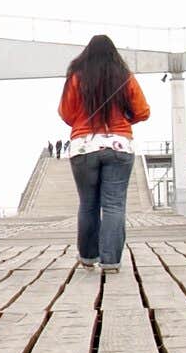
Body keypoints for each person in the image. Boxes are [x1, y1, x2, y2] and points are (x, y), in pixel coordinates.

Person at [58, 34, 151, 270]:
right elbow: (143, 111)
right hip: (119, 145)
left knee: (88, 204)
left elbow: (66, 114)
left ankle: (88, 257)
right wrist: (125, 118)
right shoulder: (124, 77)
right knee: (114, 205)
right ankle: (111, 260)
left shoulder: (76, 76)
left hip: (84, 146)